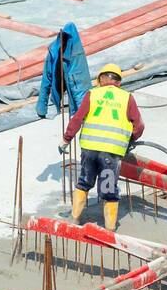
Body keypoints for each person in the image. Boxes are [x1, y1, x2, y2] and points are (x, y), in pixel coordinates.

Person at [61, 64, 145, 231]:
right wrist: (128, 142)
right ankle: (109, 228)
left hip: (90, 149)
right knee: (108, 187)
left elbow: (77, 119)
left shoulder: (93, 93)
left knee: (84, 181)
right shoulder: (126, 97)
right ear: (119, 82)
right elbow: (139, 126)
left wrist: (66, 139)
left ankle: (74, 218)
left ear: (100, 79)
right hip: (111, 153)